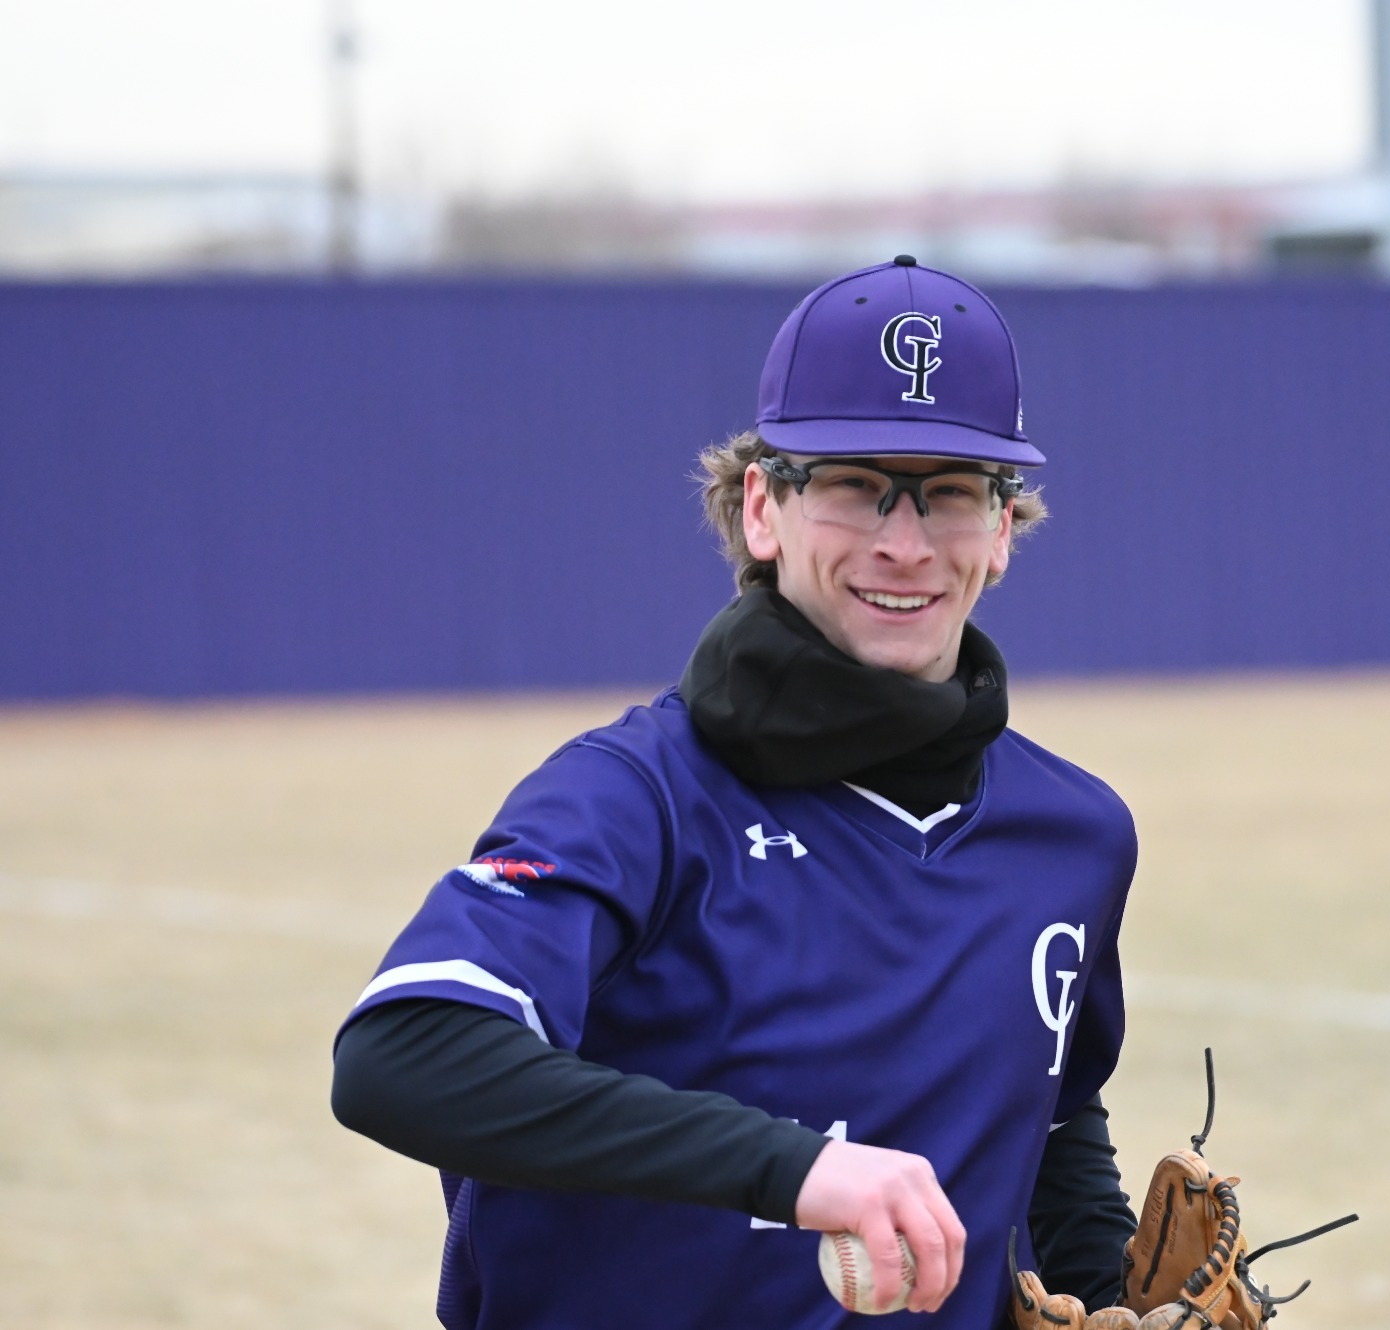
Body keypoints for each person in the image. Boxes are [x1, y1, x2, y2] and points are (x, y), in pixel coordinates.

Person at [331, 255, 1140, 1329]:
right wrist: (797, 1168)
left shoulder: (1071, 836)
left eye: (948, 493)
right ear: (763, 506)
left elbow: (1046, 1126)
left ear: (1000, 530)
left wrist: (1119, 1280)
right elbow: (402, 1056)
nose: (903, 542)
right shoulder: (636, 797)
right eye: (855, 485)